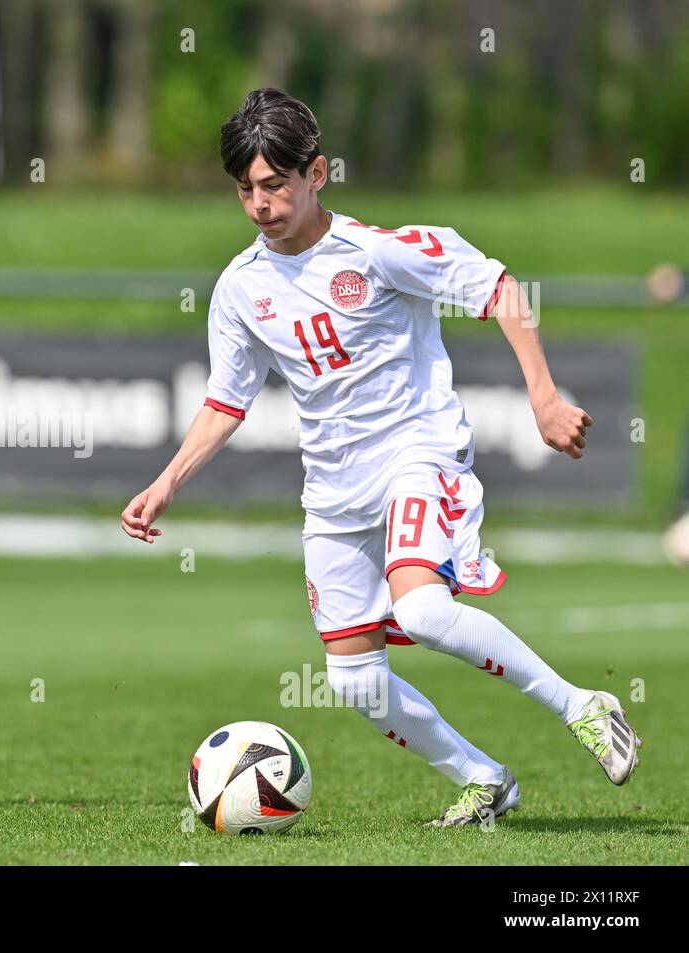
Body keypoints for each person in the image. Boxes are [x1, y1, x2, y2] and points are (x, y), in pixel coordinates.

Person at [120, 88, 640, 827]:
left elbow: (499, 289)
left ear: (317, 173)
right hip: (333, 488)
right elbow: (225, 399)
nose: (260, 203)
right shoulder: (240, 289)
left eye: (274, 184)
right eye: (245, 190)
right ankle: (485, 779)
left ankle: (583, 705)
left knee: (424, 608)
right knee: (353, 679)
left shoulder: (378, 252)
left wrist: (545, 399)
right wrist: (166, 481)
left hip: (415, 453)